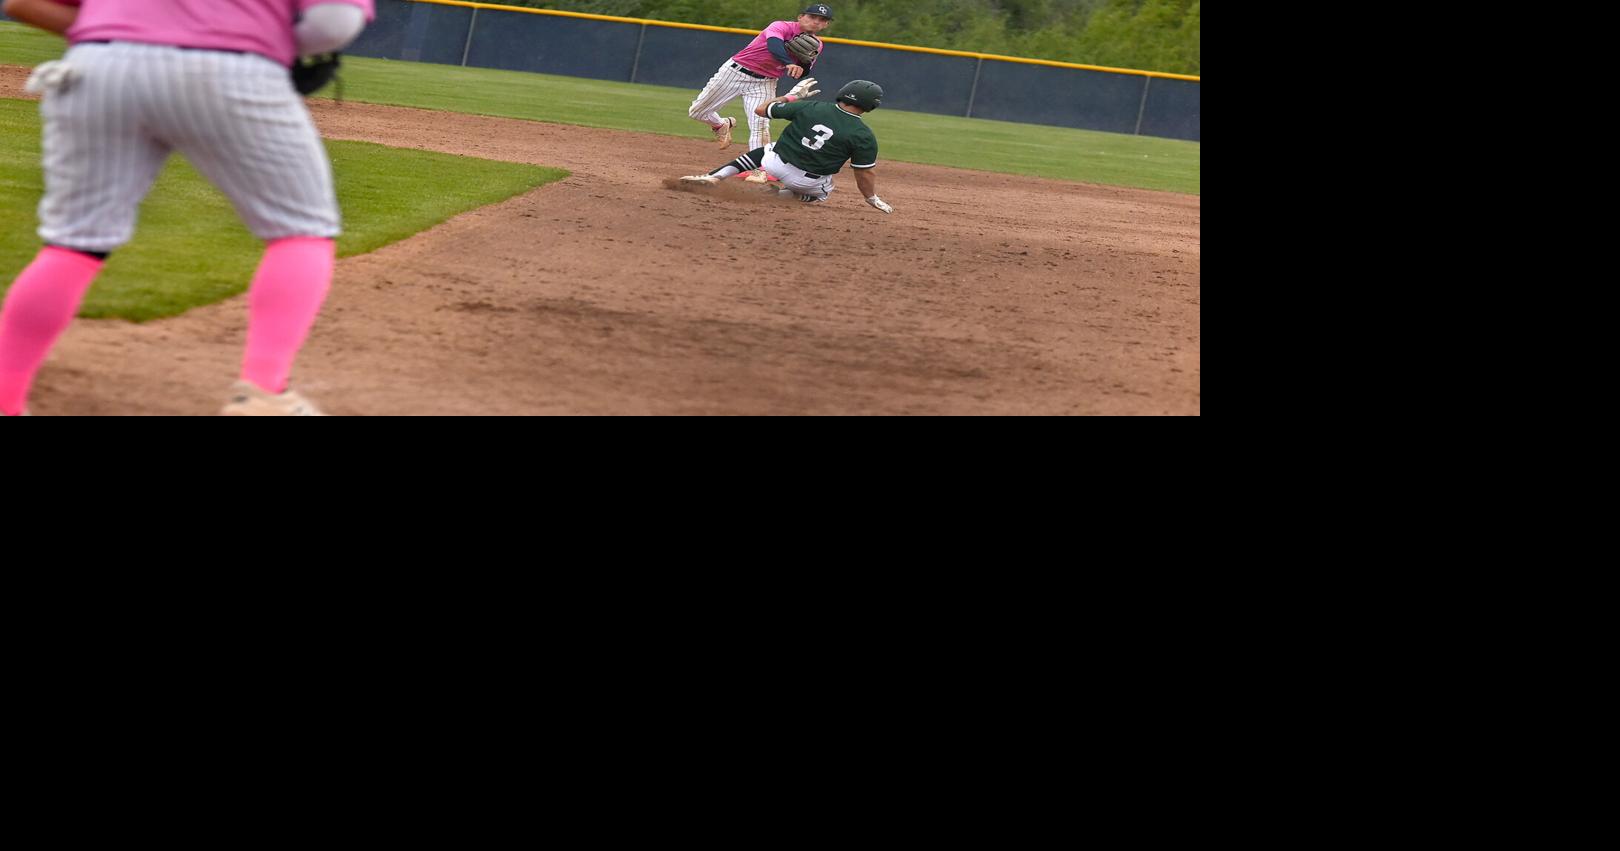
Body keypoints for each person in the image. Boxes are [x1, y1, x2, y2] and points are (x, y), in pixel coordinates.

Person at [0, 0, 375, 417]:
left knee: (73, 243)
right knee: (303, 230)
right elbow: (333, 23)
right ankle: (263, 396)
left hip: (99, 67)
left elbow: (22, 2)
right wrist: (266, 42)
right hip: (232, 69)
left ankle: (5, 399)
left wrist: (127, 33)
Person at [682, 79, 894, 215]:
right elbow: (864, 174)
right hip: (806, 182)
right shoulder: (864, 135)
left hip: (774, 164)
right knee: (822, 194)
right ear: (871, 105)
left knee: (766, 150)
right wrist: (871, 198)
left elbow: (761, 109)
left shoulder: (812, 106)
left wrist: (791, 97)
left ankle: (713, 176)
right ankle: (774, 195)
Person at [687, 4, 833, 184]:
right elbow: (774, 45)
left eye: (822, 20)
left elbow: (804, 71)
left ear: (825, 25)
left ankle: (759, 170)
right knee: (697, 112)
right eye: (812, 17)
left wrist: (802, 63)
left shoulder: (816, 44)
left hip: (765, 82)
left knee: (760, 125)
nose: (816, 22)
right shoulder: (781, 26)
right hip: (735, 72)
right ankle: (721, 125)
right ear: (800, 17)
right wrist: (788, 62)